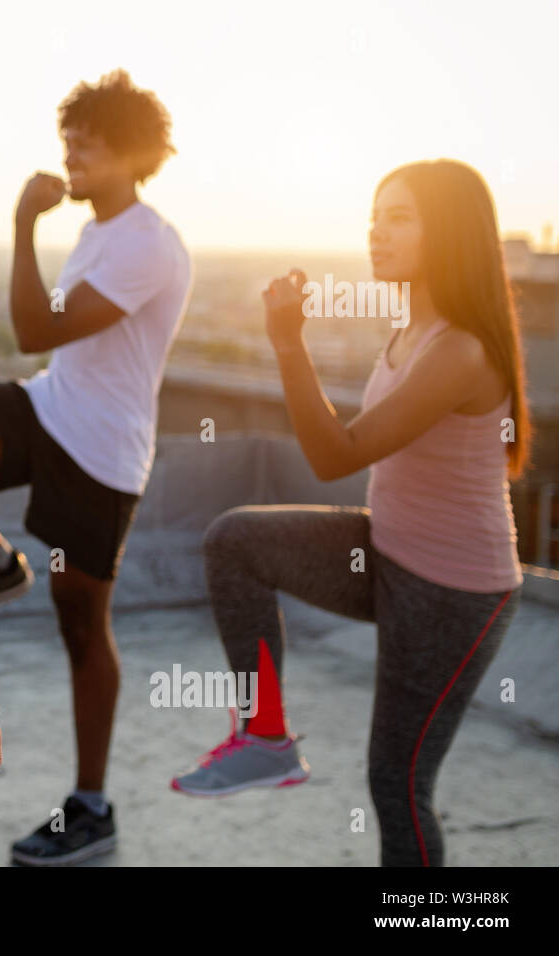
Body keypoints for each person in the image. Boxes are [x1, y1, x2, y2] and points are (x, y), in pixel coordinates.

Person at [171, 159, 531, 867]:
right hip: (387, 553)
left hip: (455, 593)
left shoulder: (460, 350)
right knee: (236, 542)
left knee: (397, 783)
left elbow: (336, 455)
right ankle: (265, 736)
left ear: (451, 233)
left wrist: (286, 342)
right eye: (374, 214)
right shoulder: (409, 332)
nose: (377, 230)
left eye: (400, 217)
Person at [0, 69, 193, 865]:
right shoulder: (97, 230)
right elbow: (45, 350)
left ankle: (91, 807)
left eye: (86, 148)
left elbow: (30, 328)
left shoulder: (148, 242)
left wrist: (22, 226)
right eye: (68, 143)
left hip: (102, 448)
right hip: (51, 407)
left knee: (82, 626)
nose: (70, 159)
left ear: (132, 156)